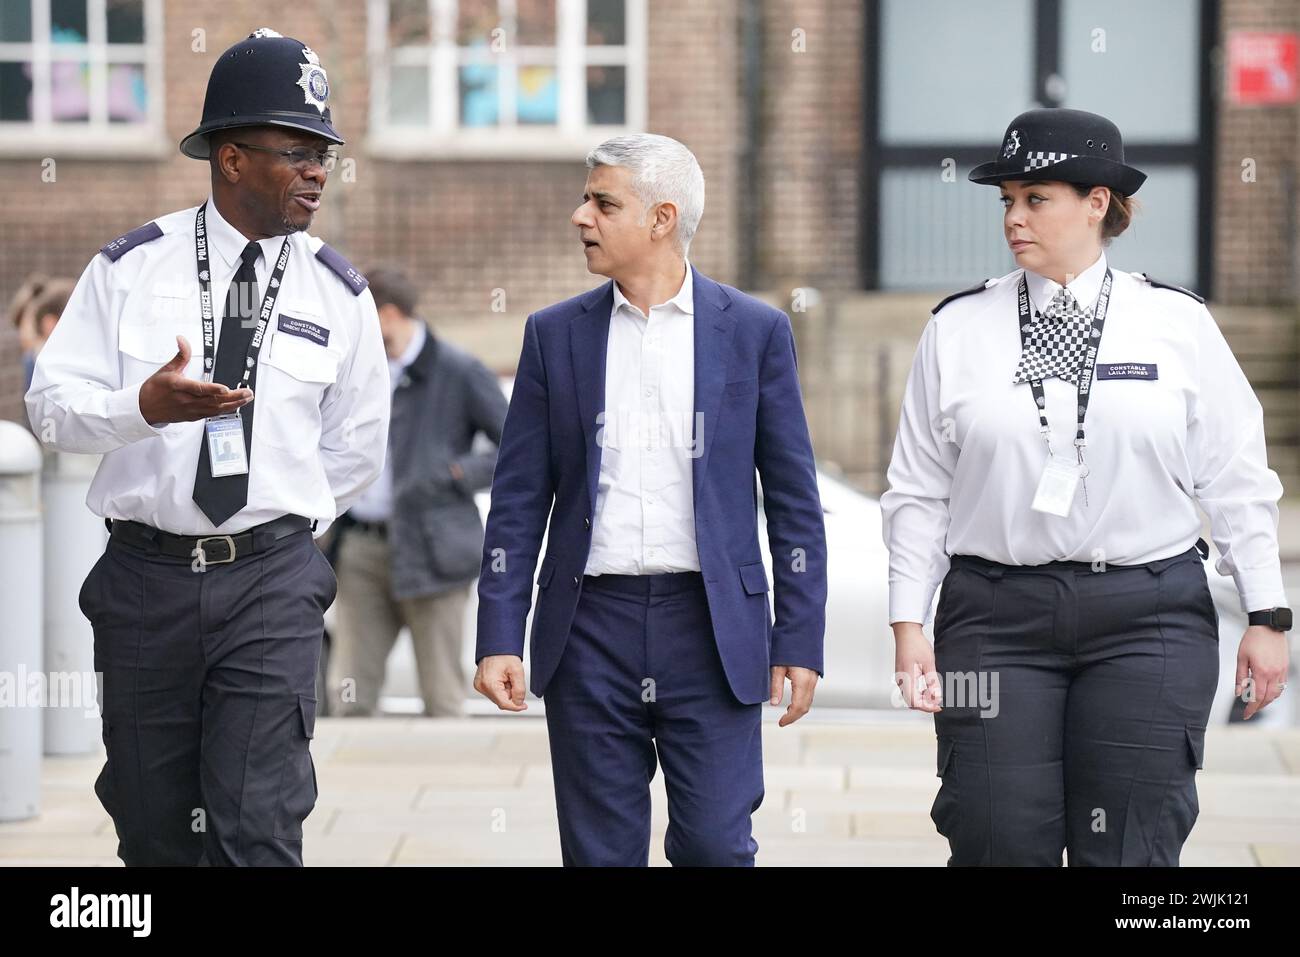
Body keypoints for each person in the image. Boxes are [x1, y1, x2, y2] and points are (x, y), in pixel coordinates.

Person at [881, 108, 1292, 866]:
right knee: (993, 836)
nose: (1013, 217)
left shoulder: (1177, 323)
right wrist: (909, 626)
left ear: (1098, 202)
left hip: (1150, 618)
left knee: (1133, 848)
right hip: (990, 619)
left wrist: (1267, 612)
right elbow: (917, 492)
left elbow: (1236, 476)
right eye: (1007, 200)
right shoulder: (958, 328)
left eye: (1036, 199)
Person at [25, 28, 389, 866]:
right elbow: (49, 410)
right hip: (144, 581)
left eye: (324, 154)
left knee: (257, 825)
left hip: (269, 580)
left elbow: (355, 446)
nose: (318, 172)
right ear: (230, 159)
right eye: (296, 152)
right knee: (154, 831)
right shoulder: (127, 270)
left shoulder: (340, 294)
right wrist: (141, 408)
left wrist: (278, 523)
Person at [474, 133, 827, 866]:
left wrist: (798, 638)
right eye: (586, 200)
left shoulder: (755, 333)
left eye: (603, 203)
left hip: (712, 627)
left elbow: (794, 498)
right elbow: (517, 499)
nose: (581, 217)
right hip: (588, 628)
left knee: (716, 846)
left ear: (662, 218)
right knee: (600, 853)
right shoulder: (553, 335)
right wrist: (500, 631)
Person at [326, 266, 508, 718]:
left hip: (435, 551)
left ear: (386, 315)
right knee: (348, 696)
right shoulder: (353, 369)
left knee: (444, 698)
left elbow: (516, 447)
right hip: (361, 551)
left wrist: (454, 472)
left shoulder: (459, 370)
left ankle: (449, 787)